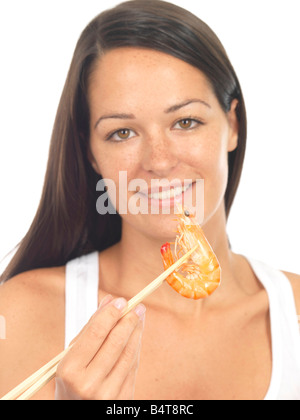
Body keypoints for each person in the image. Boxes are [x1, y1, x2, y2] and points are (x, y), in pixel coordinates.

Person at [0, 0, 299, 400]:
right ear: (90, 152)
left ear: (231, 125)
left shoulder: (293, 314)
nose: (158, 162)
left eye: (186, 122)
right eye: (122, 132)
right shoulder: (21, 314)